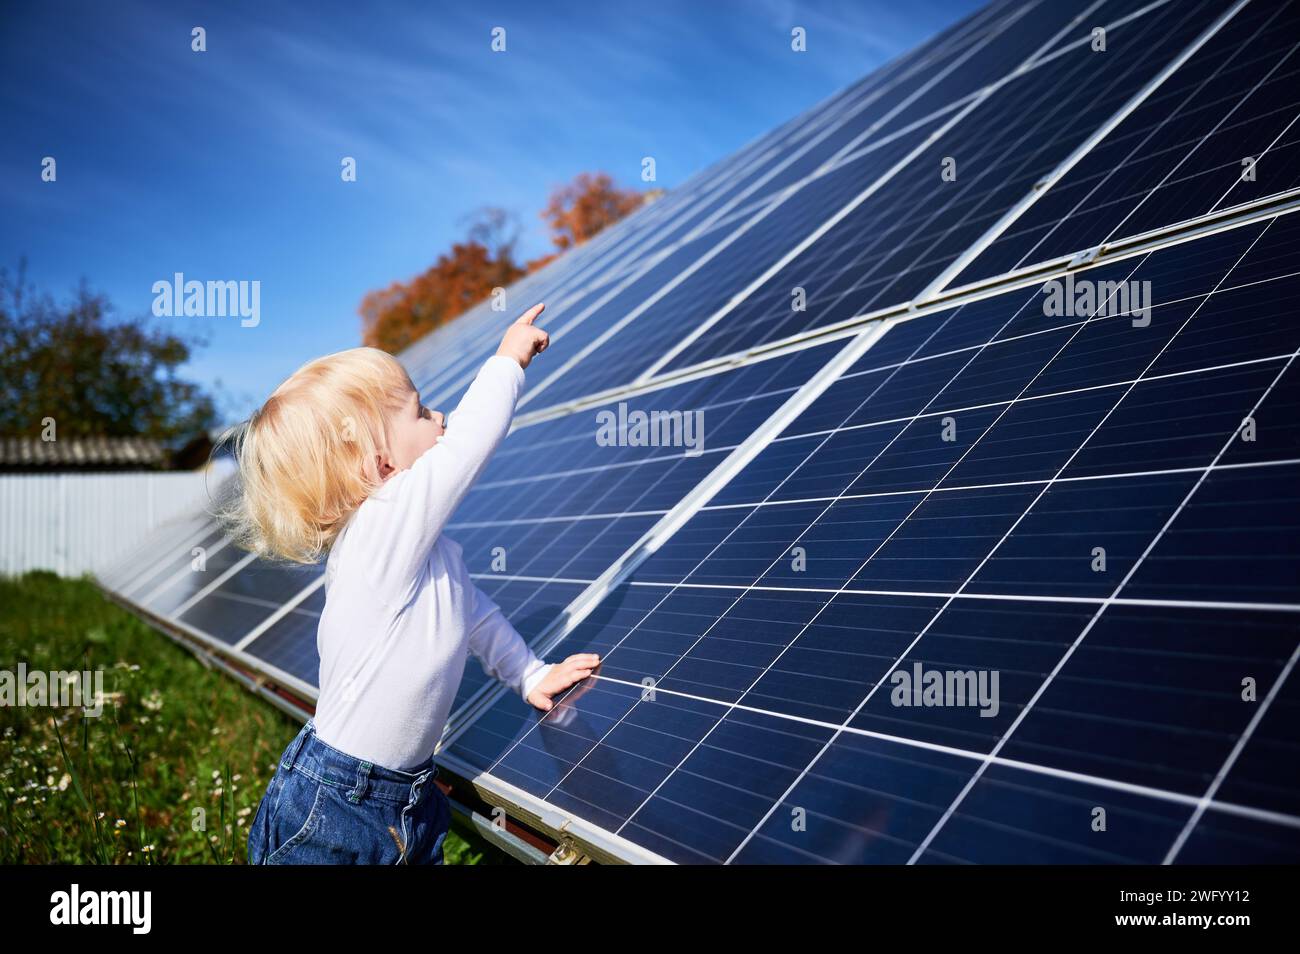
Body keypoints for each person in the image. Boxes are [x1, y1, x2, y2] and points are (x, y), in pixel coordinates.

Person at [220, 303, 599, 863]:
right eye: (422, 413)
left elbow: (475, 616)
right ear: (379, 466)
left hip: (406, 795)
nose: (441, 418)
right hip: (337, 803)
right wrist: (507, 362)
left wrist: (528, 673)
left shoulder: (427, 554)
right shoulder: (379, 532)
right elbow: (467, 446)